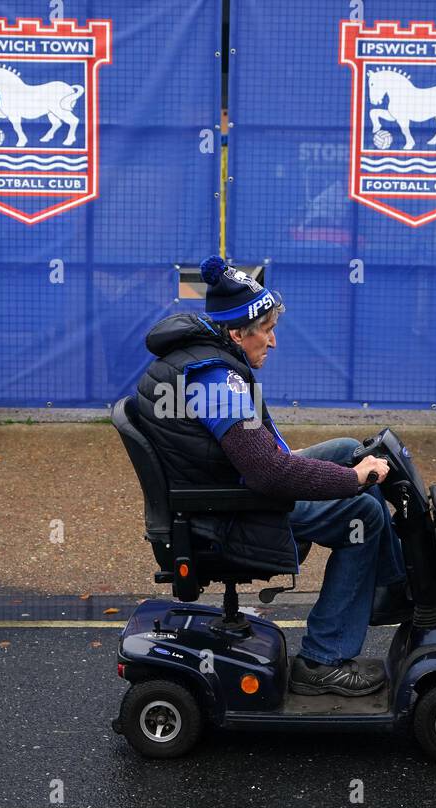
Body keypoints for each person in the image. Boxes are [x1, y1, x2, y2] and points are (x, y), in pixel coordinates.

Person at [133, 257, 409, 697]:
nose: (274, 341)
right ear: (238, 332)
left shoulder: (199, 358)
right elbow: (266, 472)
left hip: (221, 487)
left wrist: (342, 466)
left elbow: (248, 453)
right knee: (365, 514)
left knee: (344, 449)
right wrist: (353, 480)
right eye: (267, 329)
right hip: (230, 513)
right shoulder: (216, 381)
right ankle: (324, 658)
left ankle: (389, 588)